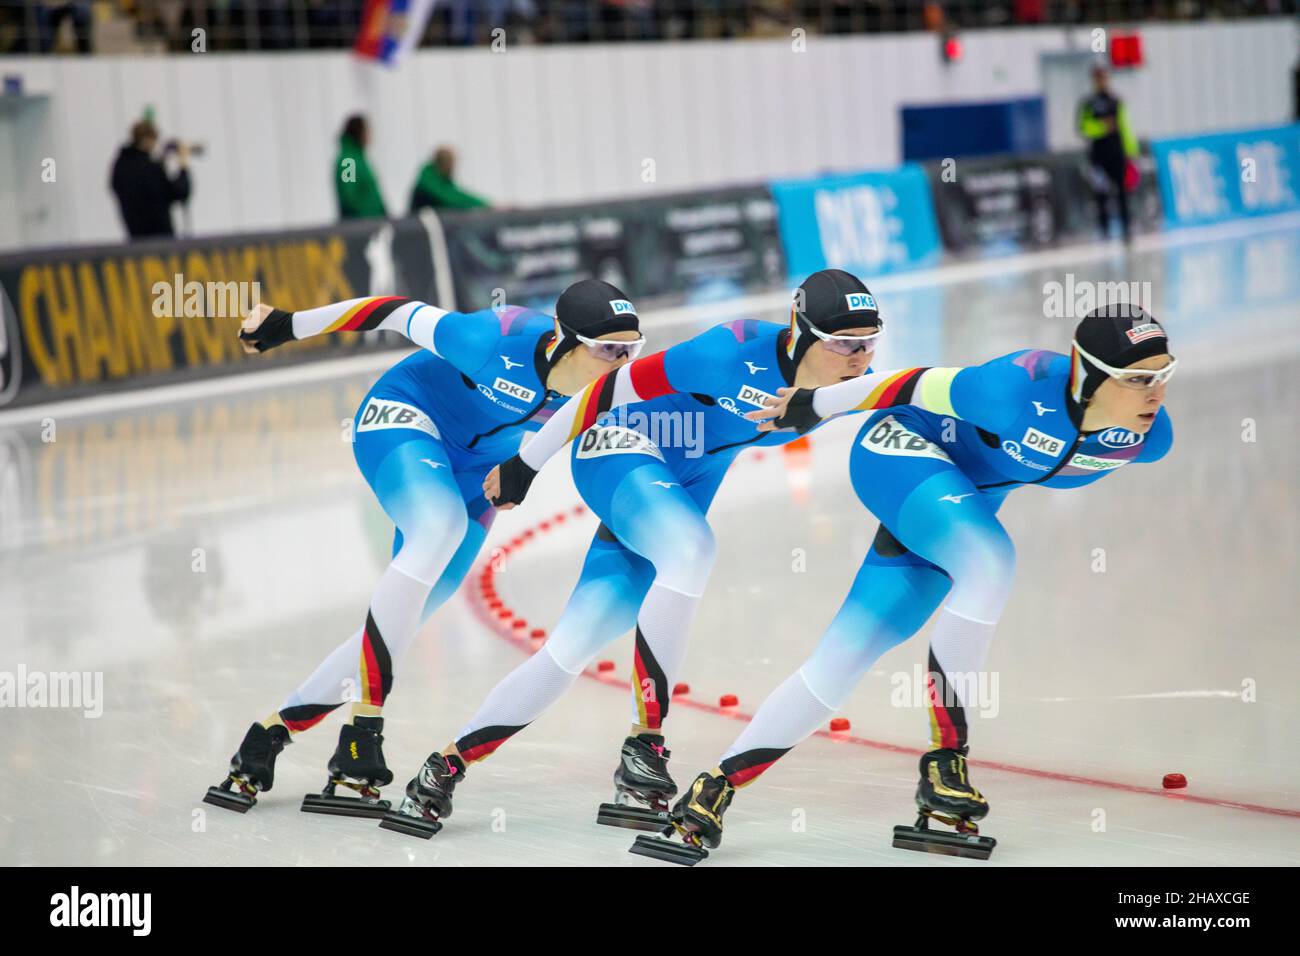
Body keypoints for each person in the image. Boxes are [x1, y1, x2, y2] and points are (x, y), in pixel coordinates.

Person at [378, 270, 959, 839]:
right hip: (623, 449)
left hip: (686, 482)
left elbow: (924, 392)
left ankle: (443, 767)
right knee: (691, 550)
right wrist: (527, 463)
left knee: (573, 646)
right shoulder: (728, 352)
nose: (859, 357)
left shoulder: (847, 384)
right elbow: (606, 390)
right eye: (843, 343)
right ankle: (646, 745)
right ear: (800, 331)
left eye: (868, 342)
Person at [655, 304, 1176, 862]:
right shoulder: (1012, 390)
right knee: (989, 560)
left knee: (847, 654)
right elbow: (908, 382)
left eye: (1164, 376)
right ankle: (946, 762)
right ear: (1088, 371)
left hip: (955, 501)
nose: (1155, 395)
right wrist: (812, 404)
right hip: (898, 453)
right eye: (1139, 380)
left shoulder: (1149, 438)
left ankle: (715, 787)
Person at [203, 280, 645, 815]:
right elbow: (395, 311)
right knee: (436, 531)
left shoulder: (610, 383)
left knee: (406, 616)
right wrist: (289, 324)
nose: (623, 360)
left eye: (632, 348)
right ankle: (363, 729)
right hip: (405, 419)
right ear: (563, 341)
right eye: (609, 349)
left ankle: (270, 735)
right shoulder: (489, 340)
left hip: (477, 469)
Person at [1078, 65, 1139, 242]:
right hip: (1098, 156)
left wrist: (1131, 152)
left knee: (1122, 193)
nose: (1102, 81)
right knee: (1101, 195)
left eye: (1104, 78)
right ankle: (1104, 231)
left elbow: (1125, 127)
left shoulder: (1116, 101)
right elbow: (1083, 128)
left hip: (1118, 154)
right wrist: (1102, 127)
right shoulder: (1088, 103)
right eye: (1098, 78)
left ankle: (1126, 229)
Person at [109, 120, 192, 240]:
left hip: (135, 238)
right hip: (161, 238)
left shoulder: (120, 166)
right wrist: (183, 166)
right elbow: (178, 192)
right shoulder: (150, 168)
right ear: (147, 140)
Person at [409, 146, 490, 213]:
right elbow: (451, 198)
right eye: (451, 163)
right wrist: (486, 205)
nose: (453, 167)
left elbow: (456, 194)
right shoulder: (427, 179)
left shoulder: (442, 179)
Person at [335, 114, 387, 220]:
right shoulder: (348, 161)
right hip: (361, 225)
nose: (370, 135)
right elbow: (349, 197)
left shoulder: (358, 158)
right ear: (359, 133)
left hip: (372, 222)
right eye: (367, 131)